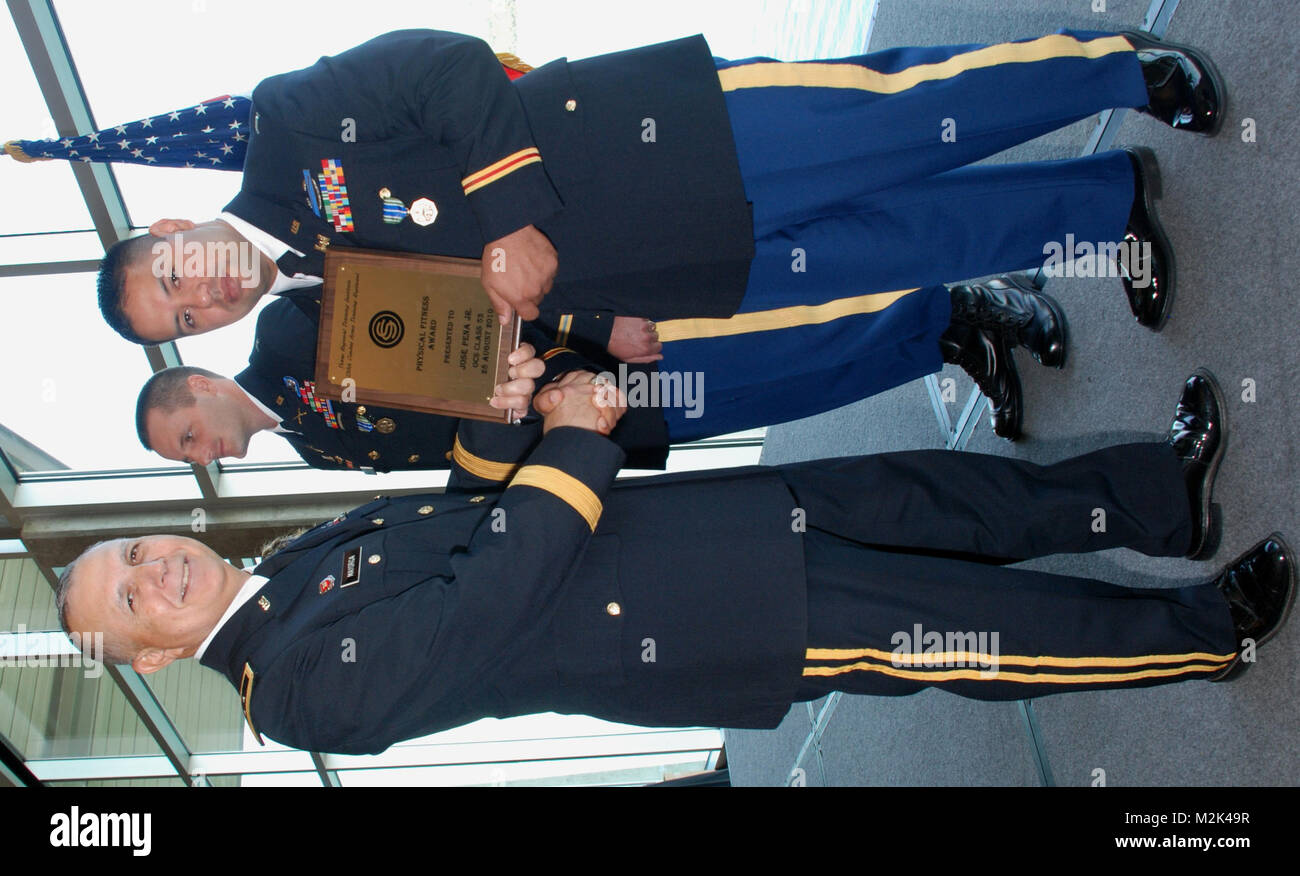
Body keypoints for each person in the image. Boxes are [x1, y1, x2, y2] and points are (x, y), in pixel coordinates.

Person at [56, 369, 1295, 756]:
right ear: (156, 655)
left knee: (937, 497)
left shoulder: (287, 561)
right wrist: (572, 450)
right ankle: (1203, 636)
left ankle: (1148, 497)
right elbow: (484, 611)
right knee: (974, 627)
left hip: (682, 530)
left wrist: (500, 425)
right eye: (130, 598)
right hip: (714, 616)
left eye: (129, 551)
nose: (151, 568)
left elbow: (467, 516)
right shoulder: (298, 699)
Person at [96, 28, 1220, 365]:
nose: (202, 297)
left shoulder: (288, 129)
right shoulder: (328, 316)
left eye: (172, 278)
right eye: (185, 320)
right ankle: (1102, 205)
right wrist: (563, 339)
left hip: (665, 144)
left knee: (903, 115)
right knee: (910, 244)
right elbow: (492, 314)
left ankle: (1122, 66)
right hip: (665, 271)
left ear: (168, 229)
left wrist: (508, 213)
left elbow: (442, 64)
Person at [133, 271, 1064, 474]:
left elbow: (451, 299)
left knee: (776, 344)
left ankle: (964, 302)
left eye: (186, 434)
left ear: (203, 385)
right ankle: (942, 348)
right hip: (578, 434)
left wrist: (560, 338)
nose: (202, 453)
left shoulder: (290, 331)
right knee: (783, 392)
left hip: (579, 366)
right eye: (187, 458)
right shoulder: (317, 456)